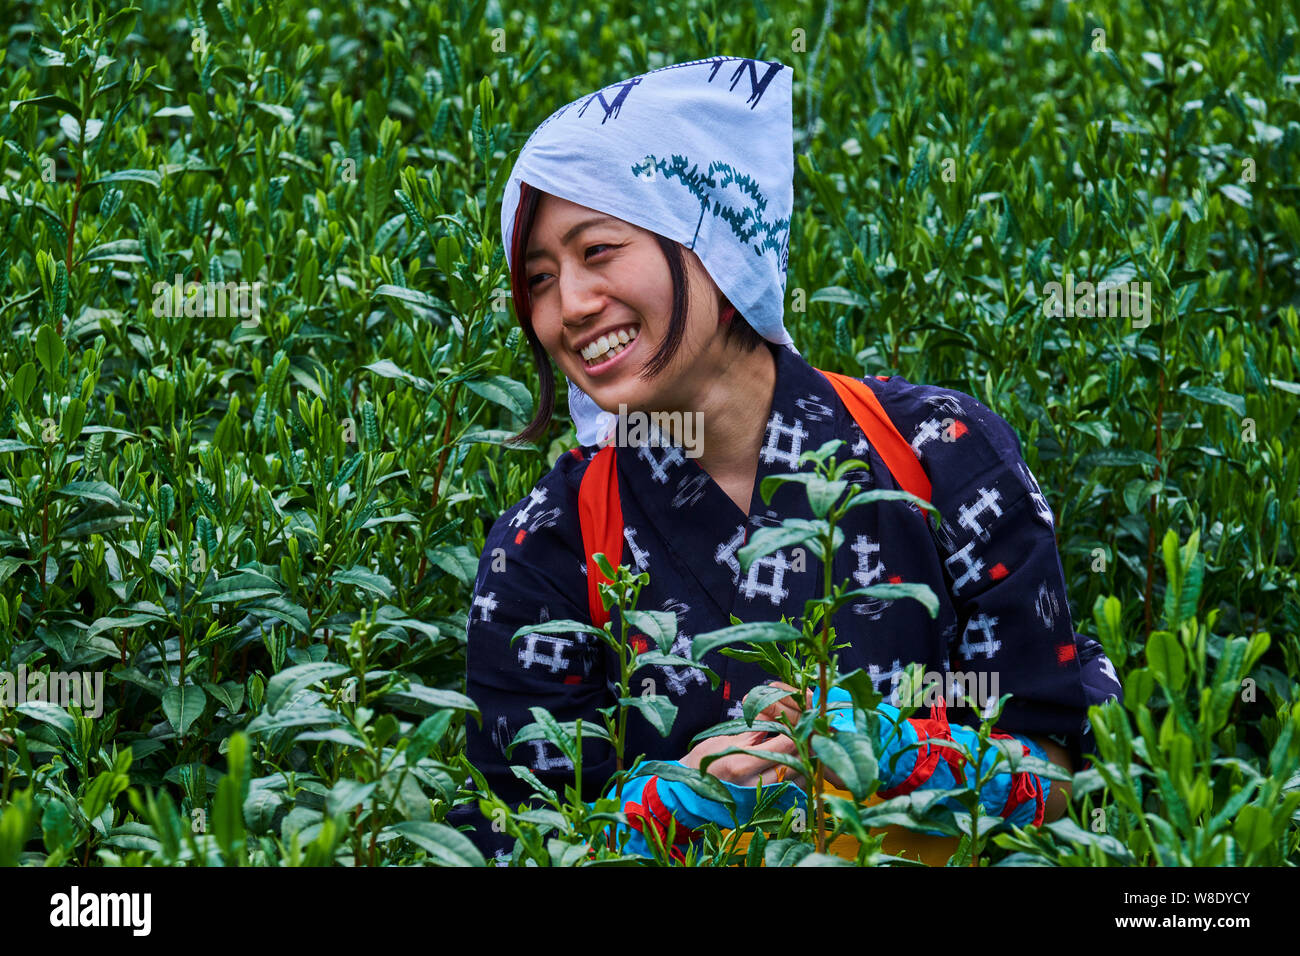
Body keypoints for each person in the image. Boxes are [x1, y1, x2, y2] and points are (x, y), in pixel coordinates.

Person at [452, 55, 1123, 863]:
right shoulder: (547, 548)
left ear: (710, 231)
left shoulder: (938, 452)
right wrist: (678, 799)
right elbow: (520, 838)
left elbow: (1056, 764)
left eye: (598, 250)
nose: (569, 306)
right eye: (539, 279)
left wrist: (885, 754)